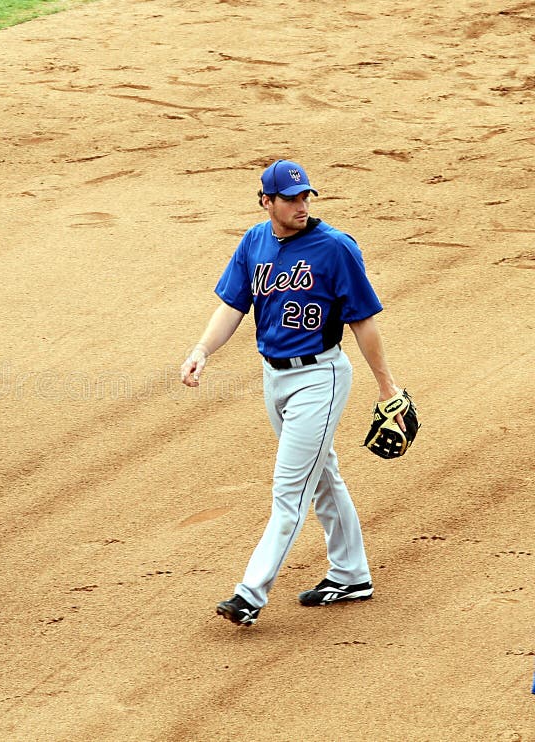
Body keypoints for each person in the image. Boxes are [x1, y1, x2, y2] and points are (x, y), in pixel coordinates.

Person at [180, 159, 406, 627]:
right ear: (268, 202)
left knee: (289, 491)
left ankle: (249, 593)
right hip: (274, 378)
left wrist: (387, 386)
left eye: (306, 197)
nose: (302, 205)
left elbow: (362, 320)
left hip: (319, 380)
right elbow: (232, 305)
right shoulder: (254, 241)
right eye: (291, 198)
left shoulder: (336, 248)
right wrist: (203, 348)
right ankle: (351, 573)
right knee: (321, 475)